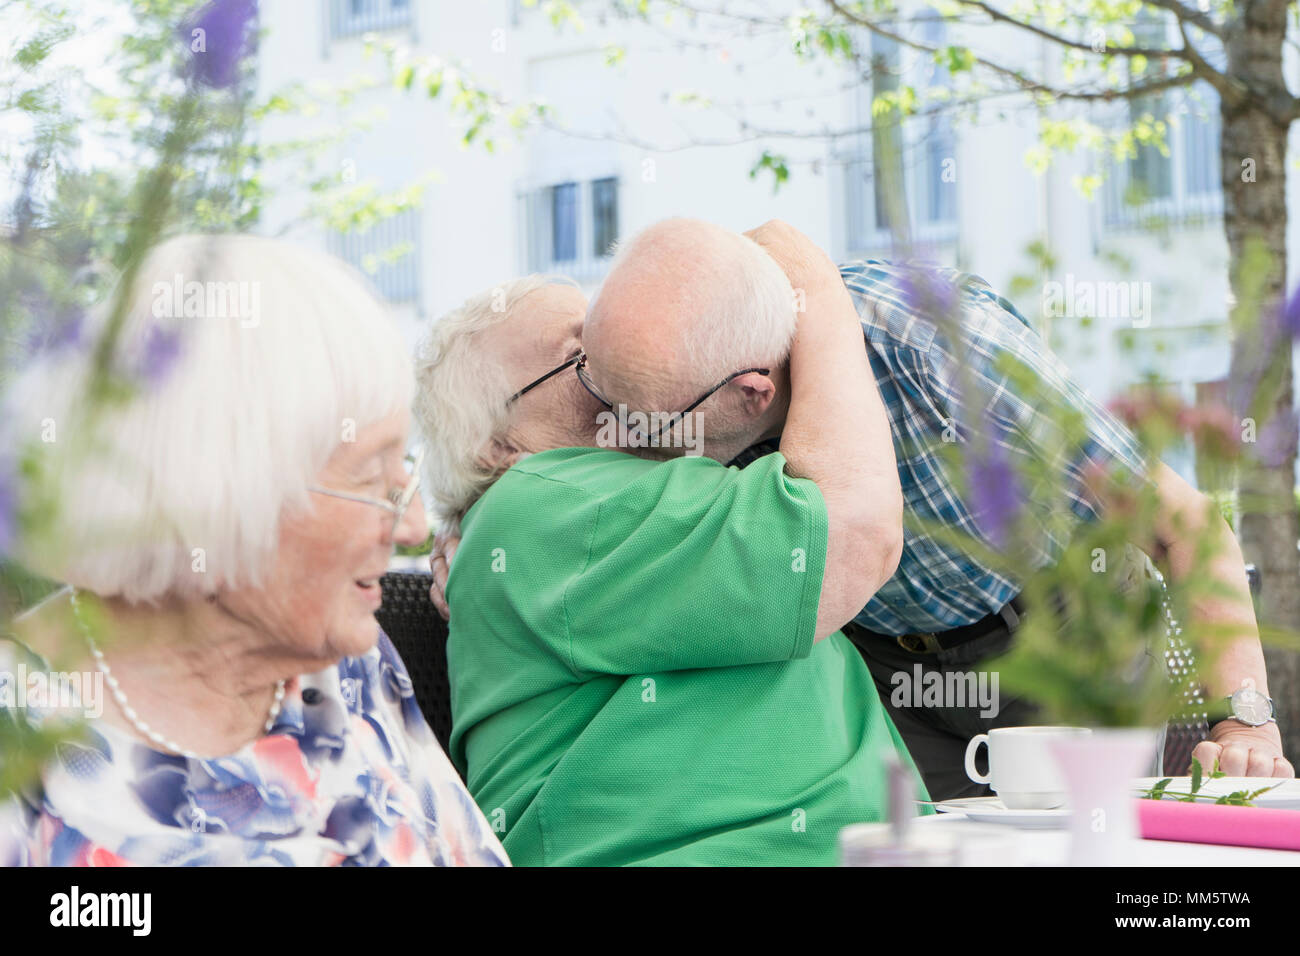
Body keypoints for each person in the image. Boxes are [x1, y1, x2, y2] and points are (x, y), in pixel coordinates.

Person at [576, 217, 1293, 800]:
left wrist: (1247, 722)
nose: (632, 445)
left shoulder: (941, 348)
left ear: (752, 392)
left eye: (657, 431)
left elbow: (1185, 522)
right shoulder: (669, 367)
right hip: (886, 669)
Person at [414, 222, 926, 866]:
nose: (619, 366)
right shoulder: (540, 499)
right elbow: (853, 534)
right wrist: (814, 288)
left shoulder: (654, 483)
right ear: (499, 446)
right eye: (581, 360)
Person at [0, 234, 508, 866]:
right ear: (217, 495)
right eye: (371, 481)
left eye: (404, 469)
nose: (412, 528)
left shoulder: (349, 666)